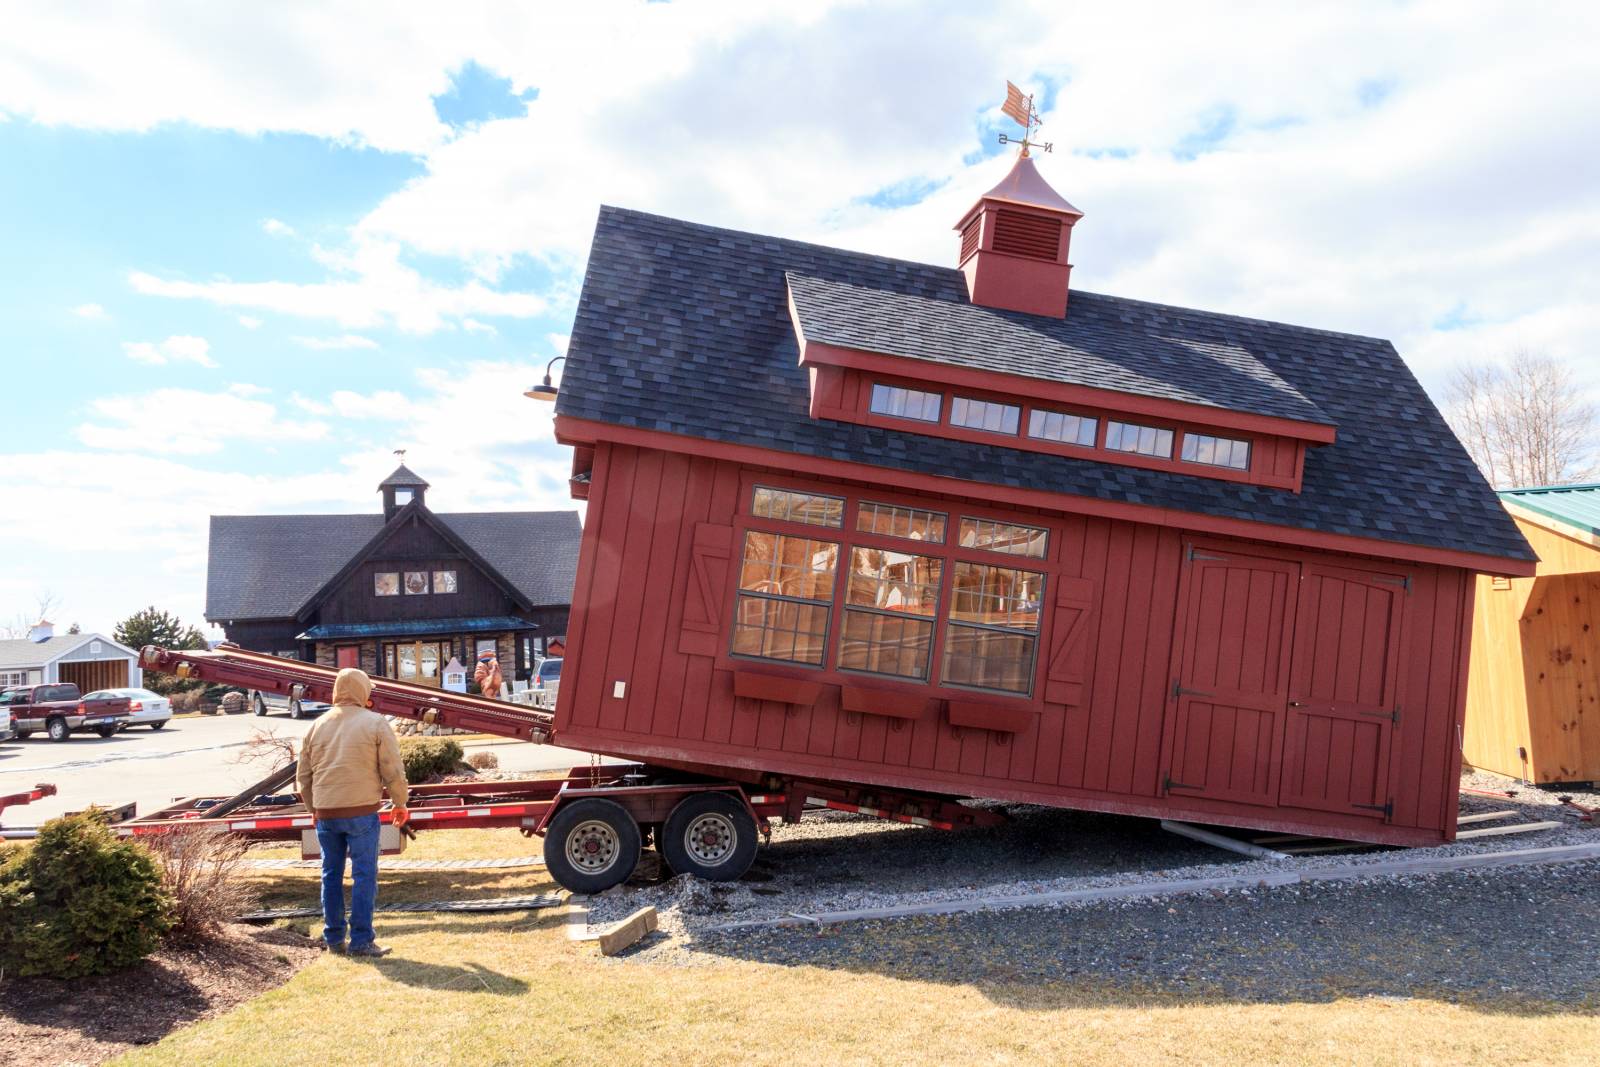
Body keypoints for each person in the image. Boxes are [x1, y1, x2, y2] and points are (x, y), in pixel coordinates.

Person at [295, 667, 409, 958]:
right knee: (364, 875)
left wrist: (313, 809)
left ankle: (333, 939)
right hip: (361, 812)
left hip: (326, 813)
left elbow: (303, 778)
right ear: (364, 691)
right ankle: (361, 941)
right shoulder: (375, 722)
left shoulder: (316, 725)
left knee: (330, 875)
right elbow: (392, 769)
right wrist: (400, 803)